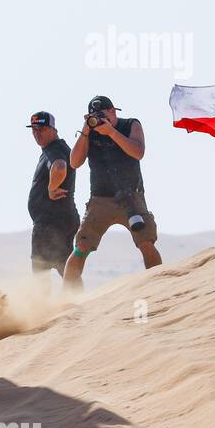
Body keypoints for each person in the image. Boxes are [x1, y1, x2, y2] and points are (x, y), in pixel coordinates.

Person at [62, 96, 162, 289]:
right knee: (81, 247)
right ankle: (67, 297)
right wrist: (85, 131)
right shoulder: (89, 133)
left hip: (131, 197)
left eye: (102, 114)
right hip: (100, 200)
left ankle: (159, 289)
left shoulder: (131, 125)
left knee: (145, 242)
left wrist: (111, 132)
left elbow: (138, 152)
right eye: (94, 116)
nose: (99, 119)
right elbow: (74, 163)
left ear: (113, 112)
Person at [26, 111, 78, 281]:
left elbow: (60, 167)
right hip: (61, 219)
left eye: (41, 129)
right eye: (33, 129)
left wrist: (51, 187)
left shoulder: (54, 150)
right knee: (66, 268)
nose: (36, 133)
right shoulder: (55, 149)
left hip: (51, 222)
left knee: (41, 272)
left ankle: (44, 307)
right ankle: (80, 302)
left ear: (53, 129)